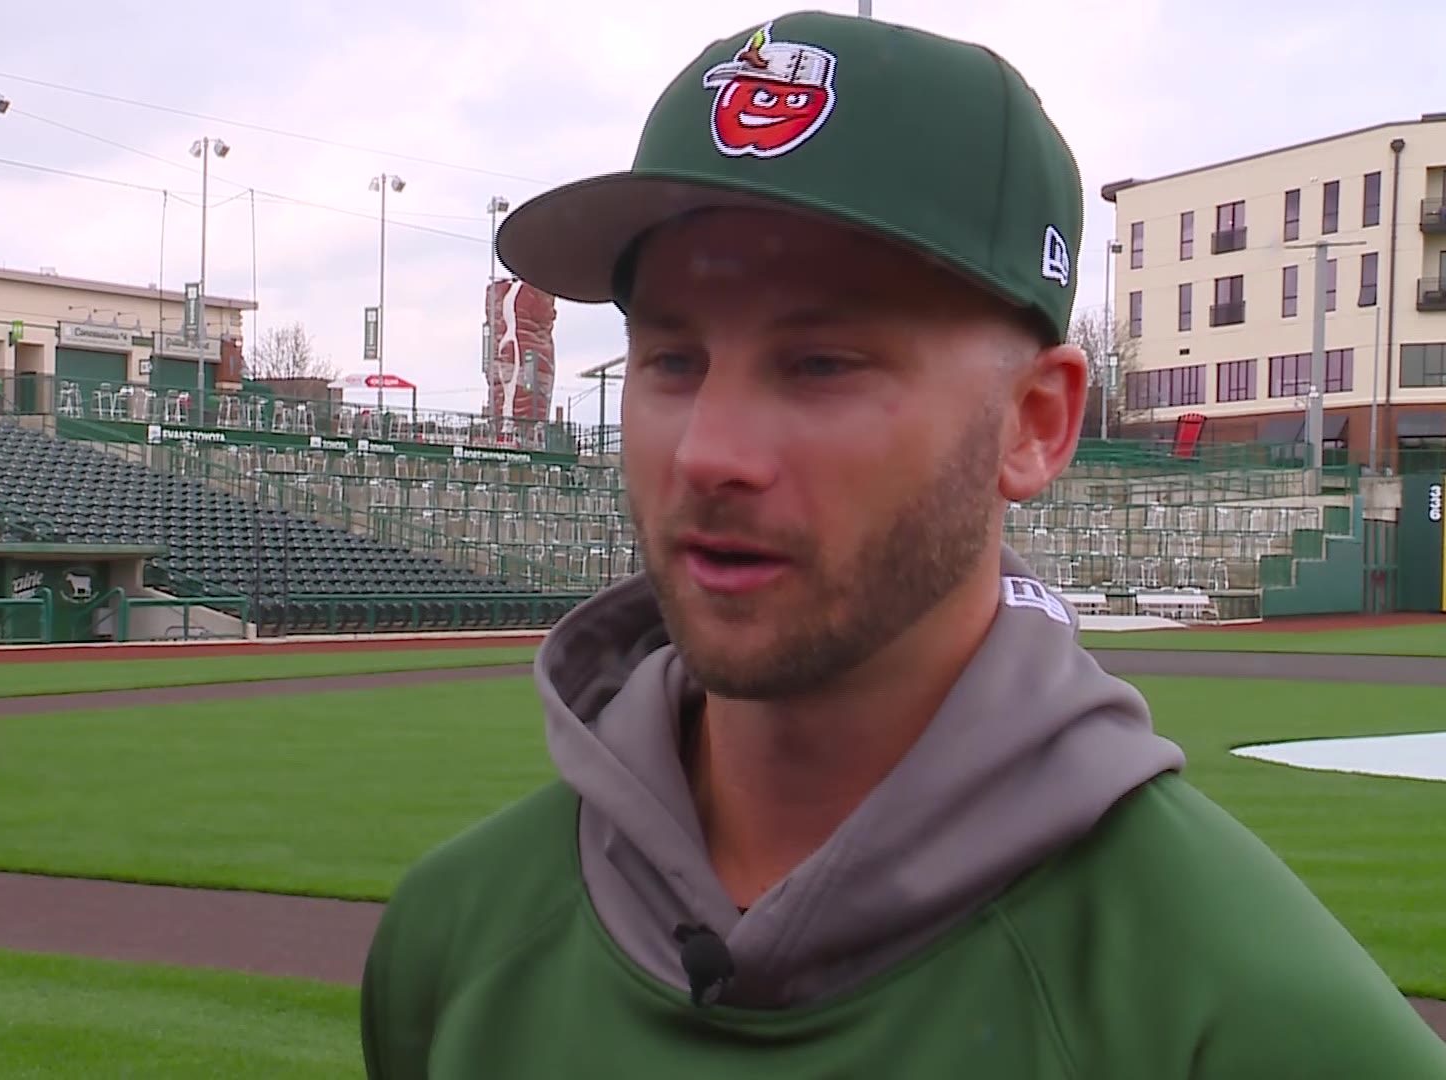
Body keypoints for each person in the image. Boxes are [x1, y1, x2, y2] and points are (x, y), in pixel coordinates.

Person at [358, 10, 1446, 1078]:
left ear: (1036, 424)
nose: (709, 452)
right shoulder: (453, 944)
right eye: (672, 359)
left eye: (822, 363)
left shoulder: (1252, 1015)